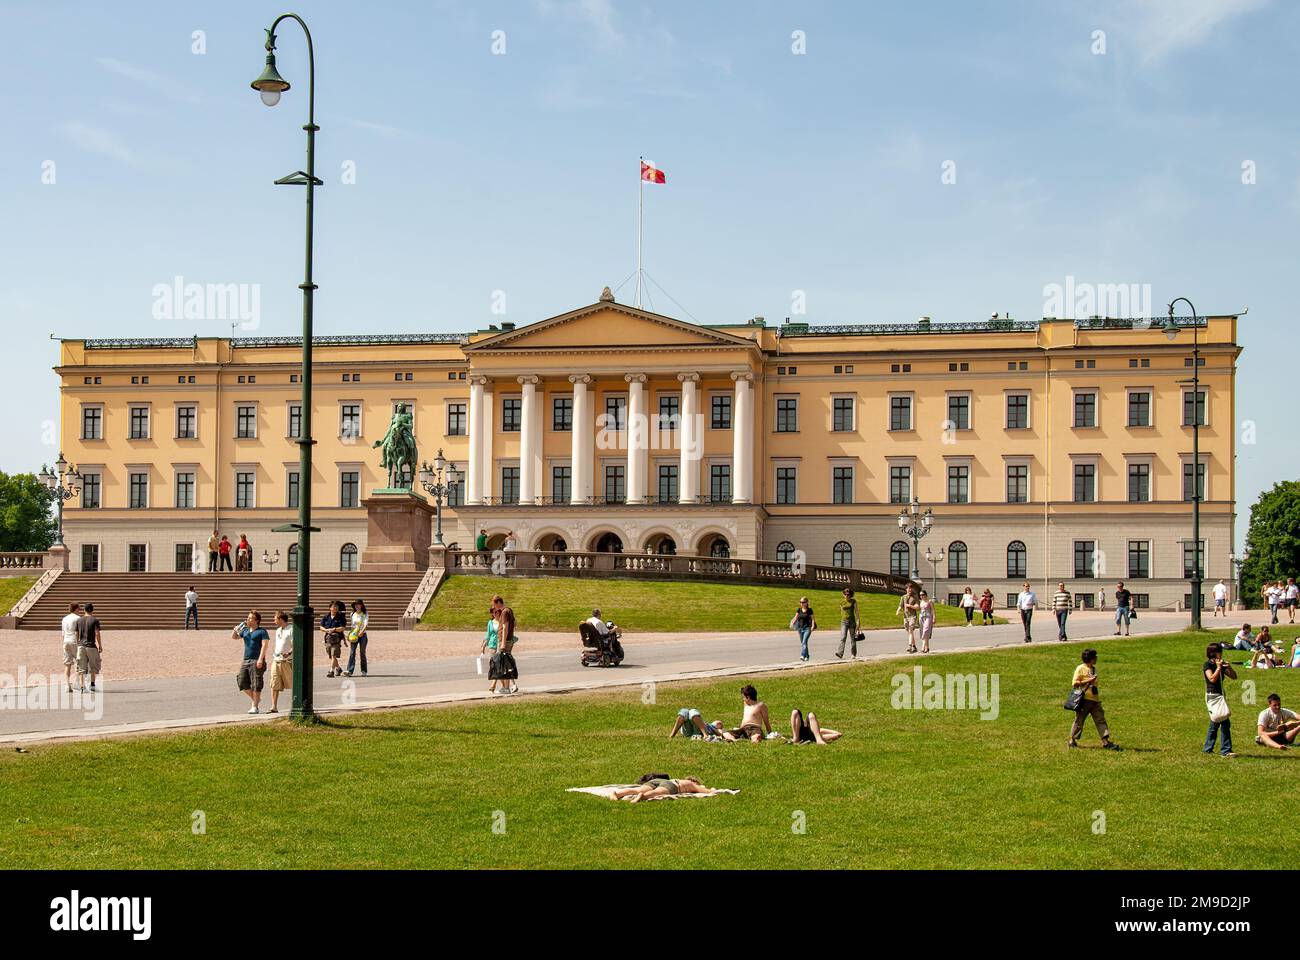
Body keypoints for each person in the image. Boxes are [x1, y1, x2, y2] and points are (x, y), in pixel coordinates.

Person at [1068, 648, 1117, 749]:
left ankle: (1105, 742)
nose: (1096, 658)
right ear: (1090, 658)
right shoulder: (1080, 668)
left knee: (1100, 720)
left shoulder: (1094, 669)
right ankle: (1072, 740)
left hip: (1095, 700)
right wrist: (1088, 680)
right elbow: (1075, 684)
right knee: (1079, 720)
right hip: (1084, 700)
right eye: (1095, 657)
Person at [1203, 642, 1237, 758]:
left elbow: (1234, 677)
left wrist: (1228, 667)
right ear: (1214, 653)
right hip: (1213, 696)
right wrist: (1218, 668)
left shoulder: (1221, 664)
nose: (1221, 654)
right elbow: (1212, 679)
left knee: (1216, 722)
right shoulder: (1207, 665)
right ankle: (1226, 751)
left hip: (1220, 695)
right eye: (1220, 652)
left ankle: (1208, 748)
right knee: (1224, 722)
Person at [234, 610, 270, 714]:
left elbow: (265, 645)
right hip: (246, 660)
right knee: (241, 681)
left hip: (256, 660)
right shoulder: (245, 631)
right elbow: (235, 637)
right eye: (248, 617)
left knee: (256, 684)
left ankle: (255, 706)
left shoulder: (262, 631)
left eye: (250, 618)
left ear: (256, 620)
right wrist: (235, 630)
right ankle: (256, 699)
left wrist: (260, 659)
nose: (248, 619)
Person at [611, 776, 719, 803]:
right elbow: (706, 791)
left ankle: (617, 794)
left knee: (638, 789)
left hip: (657, 780)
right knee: (656, 793)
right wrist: (712, 789)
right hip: (671, 785)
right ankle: (642, 797)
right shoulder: (691, 784)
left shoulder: (679, 779)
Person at [493, 594, 519, 694]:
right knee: (506, 663)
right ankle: (507, 687)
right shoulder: (509, 610)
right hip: (509, 640)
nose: (494, 607)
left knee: (504, 664)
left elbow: (505, 627)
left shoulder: (504, 612)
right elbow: (515, 623)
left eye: (494, 605)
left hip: (505, 641)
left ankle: (506, 688)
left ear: (499, 602)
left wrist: (503, 642)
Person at [268, 610, 292, 714]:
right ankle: (274, 706)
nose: (274, 620)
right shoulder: (278, 630)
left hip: (287, 661)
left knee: (293, 684)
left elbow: (295, 644)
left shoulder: (291, 629)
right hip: (276, 660)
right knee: (274, 683)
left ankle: (298, 704)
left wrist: (289, 653)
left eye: (275, 619)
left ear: (281, 619)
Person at [75, 603, 103, 694]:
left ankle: (82, 687)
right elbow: (97, 633)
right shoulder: (95, 620)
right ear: (92, 610)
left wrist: (78, 642)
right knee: (93, 666)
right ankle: (92, 685)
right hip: (91, 646)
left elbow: (76, 633)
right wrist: (100, 645)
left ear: (84, 610)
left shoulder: (79, 620)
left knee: (81, 667)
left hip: (81, 646)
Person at [320, 601, 347, 678]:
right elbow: (321, 627)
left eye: (337, 607)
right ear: (330, 608)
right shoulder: (326, 617)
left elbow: (343, 628)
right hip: (328, 639)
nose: (335, 608)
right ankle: (338, 668)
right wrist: (326, 630)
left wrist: (334, 629)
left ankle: (331, 671)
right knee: (332, 656)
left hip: (337, 639)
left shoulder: (341, 617)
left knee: (333, 654)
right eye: (334, 606)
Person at [483, 604, 506, 694]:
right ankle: (504, 685)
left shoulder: (502, 621)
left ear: (499, 612)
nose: (495, 614)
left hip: (500, 645)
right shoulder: (490, 622)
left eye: (496, 612)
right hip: (492, 646)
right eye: (493, 613)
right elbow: (488, 635)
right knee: (494, 666)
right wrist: (483, 646)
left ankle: (493, 685)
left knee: (497, 665)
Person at [60, 601, 82, 693]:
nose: (80, 610)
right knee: (79, 663)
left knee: (67, 664)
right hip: (74, 641)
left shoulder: (64, 618)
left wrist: (64, 642)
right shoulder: (78, 618)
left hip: (66, 641)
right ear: (76, 609)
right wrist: (79, 642)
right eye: (79, 608)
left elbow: (63, 633)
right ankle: (77, 683)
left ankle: (67, 685)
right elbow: (78, 632)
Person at [344, 599, 369, 678]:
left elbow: (365, 624)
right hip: (354, 635)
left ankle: (364, 670)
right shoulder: (352, 614)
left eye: (358, 604)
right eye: (355, 605)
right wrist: (350, 634)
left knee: (362, 653)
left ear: (361, 605)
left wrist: (362, 631)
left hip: (363, 635)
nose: (357, 606)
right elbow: (352, 626)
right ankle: (350, 670)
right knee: (352, 652)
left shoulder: (365, 613)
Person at [836, 587, 861, 659]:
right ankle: (840, 653)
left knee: (853, 638)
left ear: (850, 595)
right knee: (843, 637)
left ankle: (853, 654)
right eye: (845, 594)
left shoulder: (853, 601)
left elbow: (856, 611)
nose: (846, 595)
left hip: (852, 622)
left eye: (848, 594)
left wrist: (858, 621)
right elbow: (841, 612)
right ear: (843, 594)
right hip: (844, 622)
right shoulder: (841, 603)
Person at [897, 584, 920, 654]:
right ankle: (914, 646)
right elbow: (900, 605)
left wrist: (910, 606)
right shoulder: (903, 597)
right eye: (908, 588)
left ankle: (909, 646)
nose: (910, 589)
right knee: (910, 632)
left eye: (911, 588)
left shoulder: (915, 597)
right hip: (905, 617)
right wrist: (898, 611)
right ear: (906, 589)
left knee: (910, 630)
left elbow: (918, 607)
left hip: (913, 616)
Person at [791, 596, 815, 662]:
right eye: (800, 602)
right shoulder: (799, 609)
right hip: (800, 628)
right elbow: (796, 617)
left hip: (807, 628)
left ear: (807, 603)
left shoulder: (810, 610)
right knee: (803, 643)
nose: (801, 603)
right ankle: (807, 655)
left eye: (803, 602)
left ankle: (802, 655)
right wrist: (793, 623)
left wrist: (813, 626)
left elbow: (813, 619)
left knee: (804, 642)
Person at [917, 589, 935, 654]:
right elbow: (919, 610)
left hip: (928, 617)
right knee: (923, 632)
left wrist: (934, 618)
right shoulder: (921, 602)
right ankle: (927, 648)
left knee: (926, 630)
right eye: (920, 595)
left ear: (926, 595)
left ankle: (923, 647)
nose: (921, 596)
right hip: (921, 617)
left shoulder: (929, 601)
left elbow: (933, 610)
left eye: (923, 595)